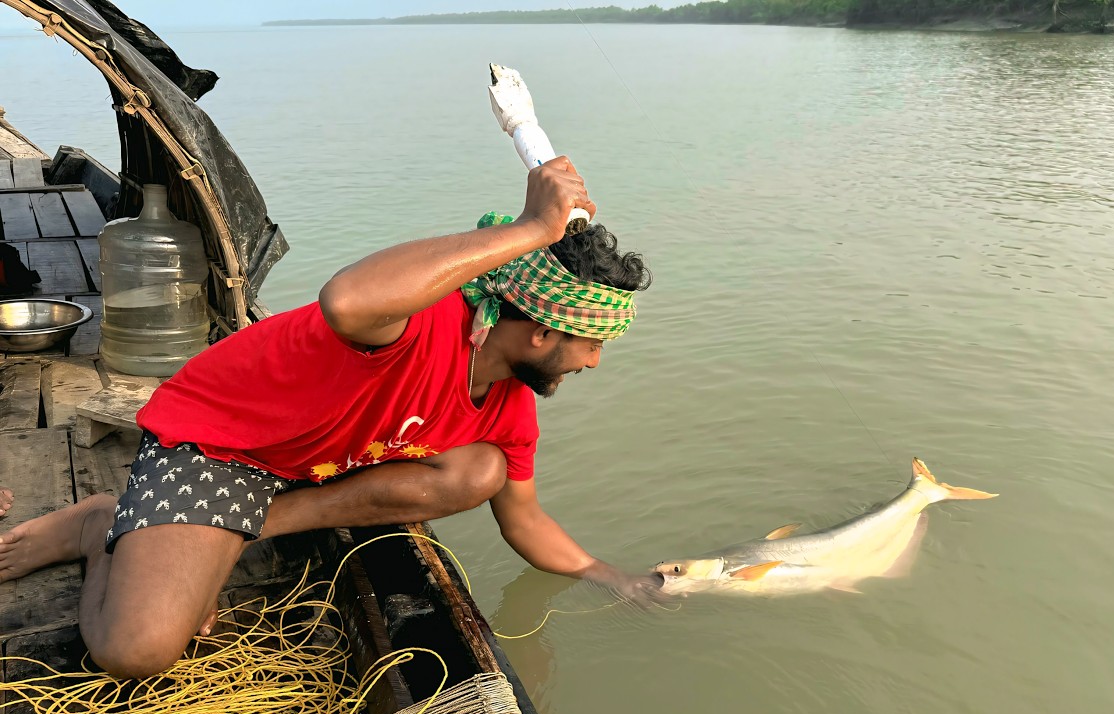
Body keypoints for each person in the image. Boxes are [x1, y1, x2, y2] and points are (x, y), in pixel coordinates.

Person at [0, 156, 664, 678]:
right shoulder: (420, 321)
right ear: (543, 333)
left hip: (306, 469)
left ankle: (237, 531)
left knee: (481, 470)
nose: (596, 363)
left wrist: (613, 577)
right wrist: (530, 231)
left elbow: (526, 520)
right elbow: (345, 299)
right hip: (219, 448)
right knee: (137, 650)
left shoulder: (509, 407)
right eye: (592, 344)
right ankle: (99, 526)